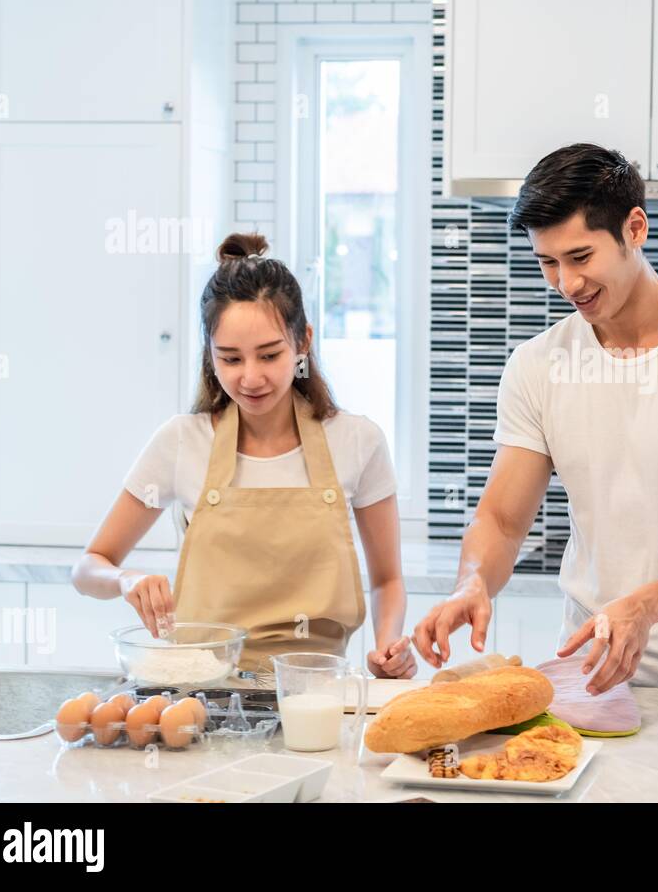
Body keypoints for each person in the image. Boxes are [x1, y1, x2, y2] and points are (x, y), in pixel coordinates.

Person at [413, 144, 658, 801]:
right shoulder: (538, 367)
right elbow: (503, 519)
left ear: (635, 229)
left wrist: (646, 605)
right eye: (547, 262)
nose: (566, 283)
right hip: (588, 692)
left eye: (580, 257)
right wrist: (473, 582)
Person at [72, 233, 416, 679]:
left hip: (314, 695)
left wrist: (389, 645)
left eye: (269, 355)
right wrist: (126, 580)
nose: (251, 378)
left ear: (303, 342)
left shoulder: (357, 440)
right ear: (209, 357)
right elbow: (88, 567)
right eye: (230, 359)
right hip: (200, 698)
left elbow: (387, 580)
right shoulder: (181, 441)